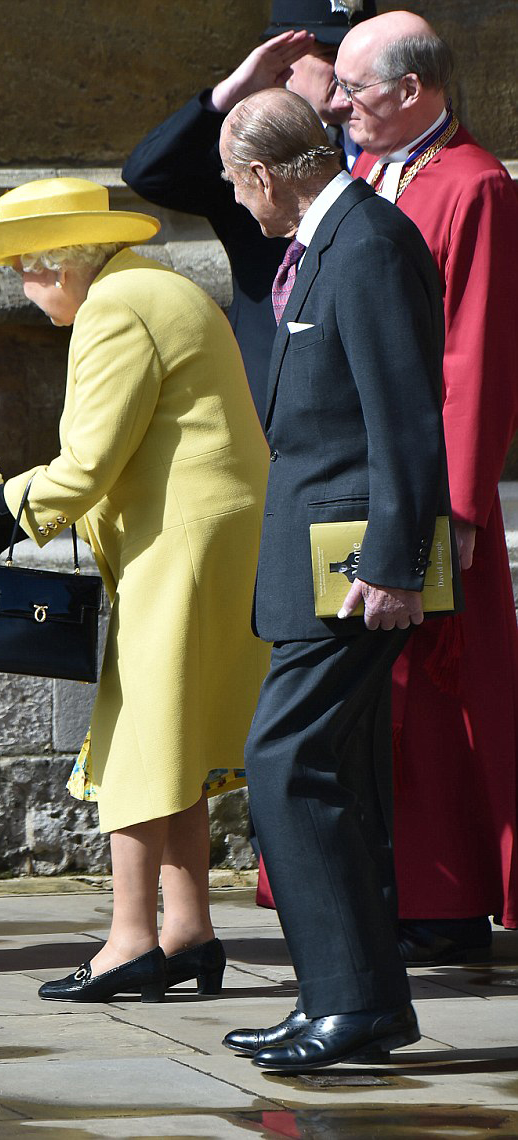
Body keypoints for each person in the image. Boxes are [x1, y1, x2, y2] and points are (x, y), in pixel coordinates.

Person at [0, 177, 270, 1003]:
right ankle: (188, 930)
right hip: (209, 537)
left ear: (59, 264)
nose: (21, 285)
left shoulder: (114, 308)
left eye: (23, 268)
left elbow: (89, 464)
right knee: (179, 739)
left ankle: (130, 942)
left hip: (183, 546)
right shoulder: (156, 286)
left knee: (135, 742)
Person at [217, 89, 449, 1070]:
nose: (236, 202)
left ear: (265, 174)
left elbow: (403, 412)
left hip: (352, 568)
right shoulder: (323, 241)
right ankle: (350, 1002)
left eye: (236, 184)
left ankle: (348, 1002)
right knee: (336, 779)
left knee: (283, 766)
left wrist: (395, 563)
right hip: (321, 564)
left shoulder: (364, 241)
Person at [327, 10, 518, 962]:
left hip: (433, 492)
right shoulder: (365, 171)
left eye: (354, 89)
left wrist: (460, 503)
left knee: (439, 699)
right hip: (357, 478)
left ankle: (443, 898)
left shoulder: (475, 184)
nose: (336, 104)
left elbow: (477, 352)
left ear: (411, 91)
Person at [123, 0, 376, 419]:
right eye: (331, 57)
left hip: (361, 393)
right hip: (271, 394)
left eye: (356, 56)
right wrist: (229, 94)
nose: (347, 73)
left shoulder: (389, 149)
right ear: (284, 57)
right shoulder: (250, 156)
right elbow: (148, 173)